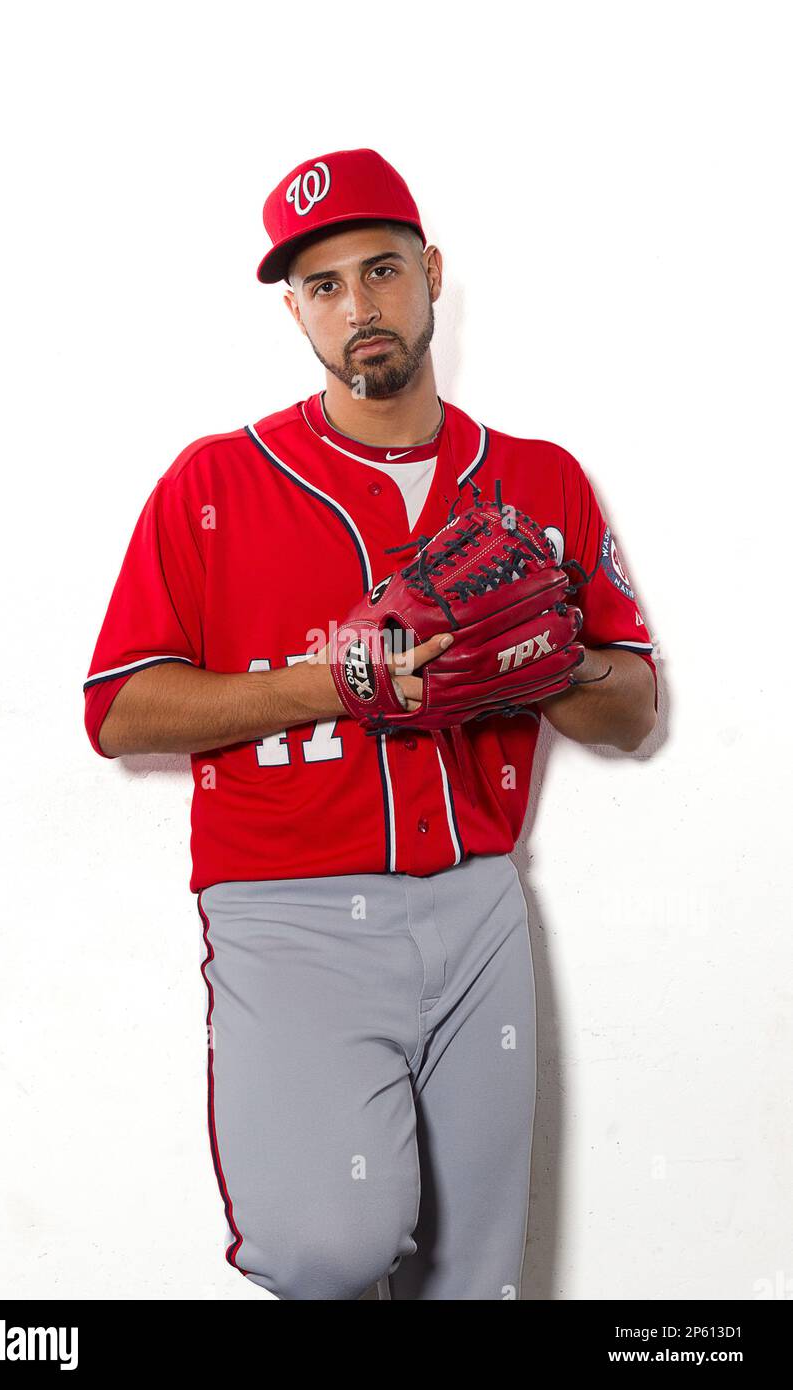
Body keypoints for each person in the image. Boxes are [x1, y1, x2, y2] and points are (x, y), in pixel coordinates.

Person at [83, 148, 657, 1300]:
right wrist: (330, 684)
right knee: (325, 1247)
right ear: (294, 307)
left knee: (475, 1279)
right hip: (286, 905)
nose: (361, 307)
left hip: (480, 900)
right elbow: (118, 708)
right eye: (326, 286)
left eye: (381, 270)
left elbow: (628, 706)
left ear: (430, 273)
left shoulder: (538, 482)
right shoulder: (216, 482)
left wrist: (532, 662)